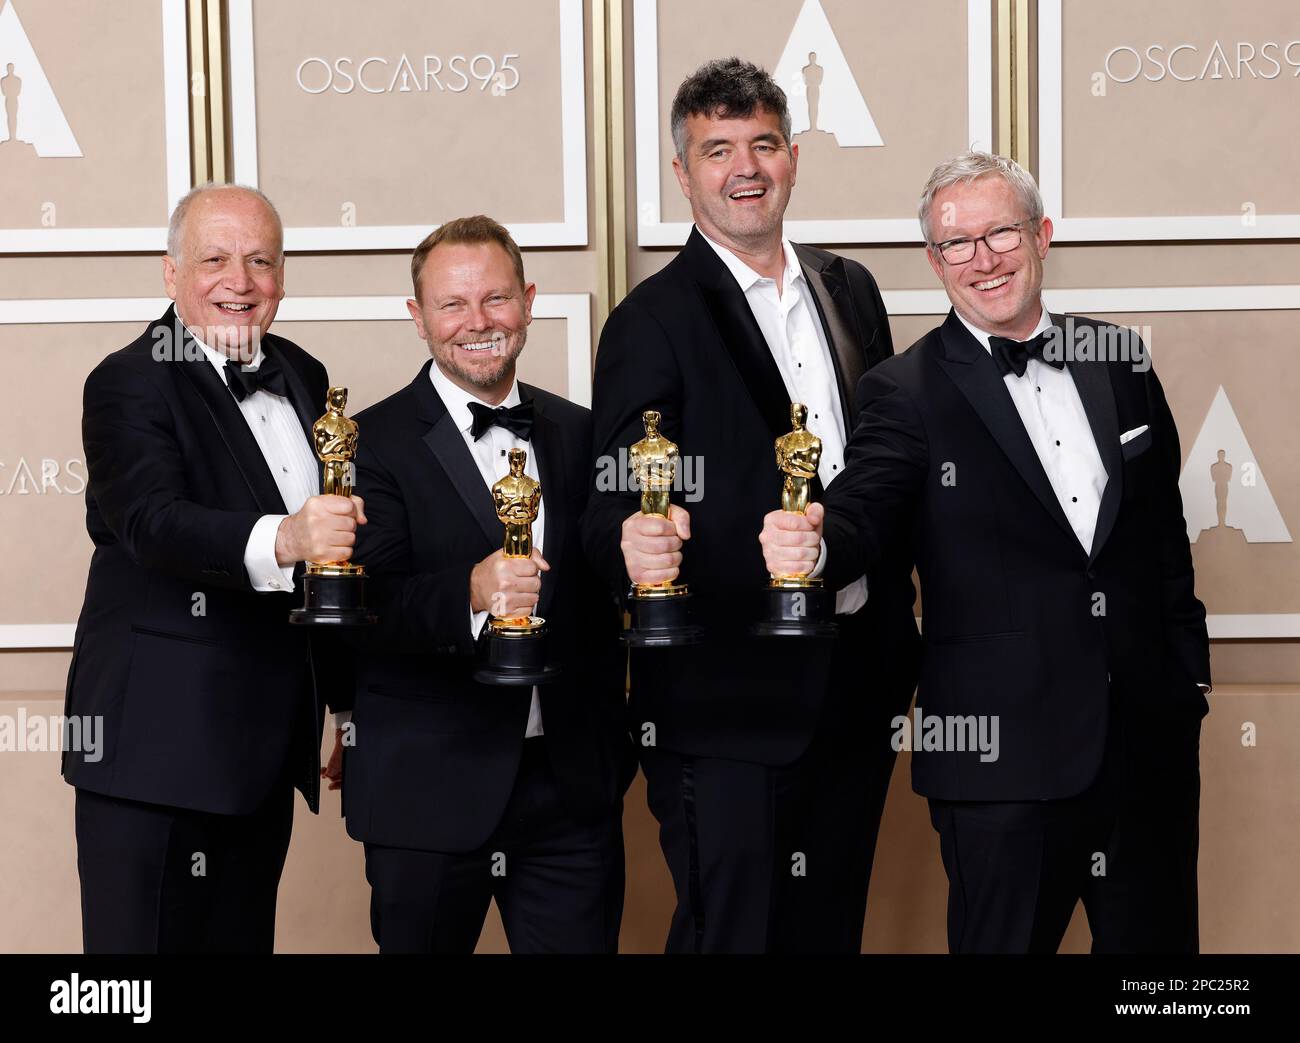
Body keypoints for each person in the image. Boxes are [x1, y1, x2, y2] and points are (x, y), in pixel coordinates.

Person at [761, 151, 1211, 953]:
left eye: (999, 231)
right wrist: (818, 542)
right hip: (1000, 760)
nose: (983, 259)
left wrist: (1188, 682)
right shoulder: (905, 391)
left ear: (1041, 234)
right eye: (956, 244)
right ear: (935, 262)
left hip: (1147, 741)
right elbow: (866, 514)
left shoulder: (1121, 360)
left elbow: (1163, 541)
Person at [582, 58, 919, 953]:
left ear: (794, 157)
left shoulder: (851, 289)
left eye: (763, 144)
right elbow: (613, 492)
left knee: (826, 933)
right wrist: (634, 541)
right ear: (683, 172)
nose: (745, 167)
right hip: (726, 696)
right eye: (717, 149)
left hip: (856, 681)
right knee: (733, 936)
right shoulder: (650, 319)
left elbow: (883, 463)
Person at [64, 183, 365, 953]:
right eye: (215, 259)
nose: (240, 280)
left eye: (261, 259)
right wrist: (286, 539)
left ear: (283, 275)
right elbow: (151, 523)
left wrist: (342, 706)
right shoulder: (128, 380)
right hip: (153, 756)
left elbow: (330, 565)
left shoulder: (302, 370)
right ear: (171, 275)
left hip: (261, 756)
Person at [335, 216, 634, 953]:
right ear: (418, 316)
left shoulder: (583, 432)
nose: (478, 323)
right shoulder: (366, 446)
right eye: (452, 305)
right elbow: (363, 607)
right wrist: (471, 589)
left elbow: (605, 594)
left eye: (496, 299)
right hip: (424, 792)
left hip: (569, 791)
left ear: (528, 301)